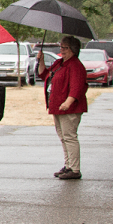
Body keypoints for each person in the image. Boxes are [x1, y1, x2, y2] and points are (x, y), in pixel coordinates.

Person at [36, 35, 88, 180]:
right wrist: (40, 60)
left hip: (69, 109)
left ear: (73, 49)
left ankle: (75, 168)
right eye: (61, 47)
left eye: (64, 47)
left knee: (69, 137)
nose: (61, 50)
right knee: (63, 137)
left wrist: (68, 102)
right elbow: (44, 75)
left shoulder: (75, 65)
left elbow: (77, 87)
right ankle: (68, 165)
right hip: (57, 107)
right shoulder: (60, 63)